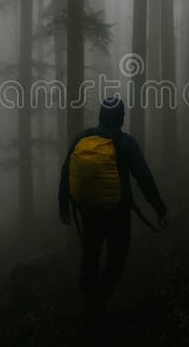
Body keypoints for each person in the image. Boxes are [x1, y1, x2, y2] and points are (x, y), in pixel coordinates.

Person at [59, 97, 168, 319]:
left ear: (100, 115)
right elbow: (144, 178)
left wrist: (63, 207)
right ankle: (100, 299)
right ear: (121, 118)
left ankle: (88, 300)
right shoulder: (127, 143)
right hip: (118, 214)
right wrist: (160, 208)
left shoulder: (82, 138)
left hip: (88, 211)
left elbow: (65, 173)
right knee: (117, 258)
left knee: (90, 255)